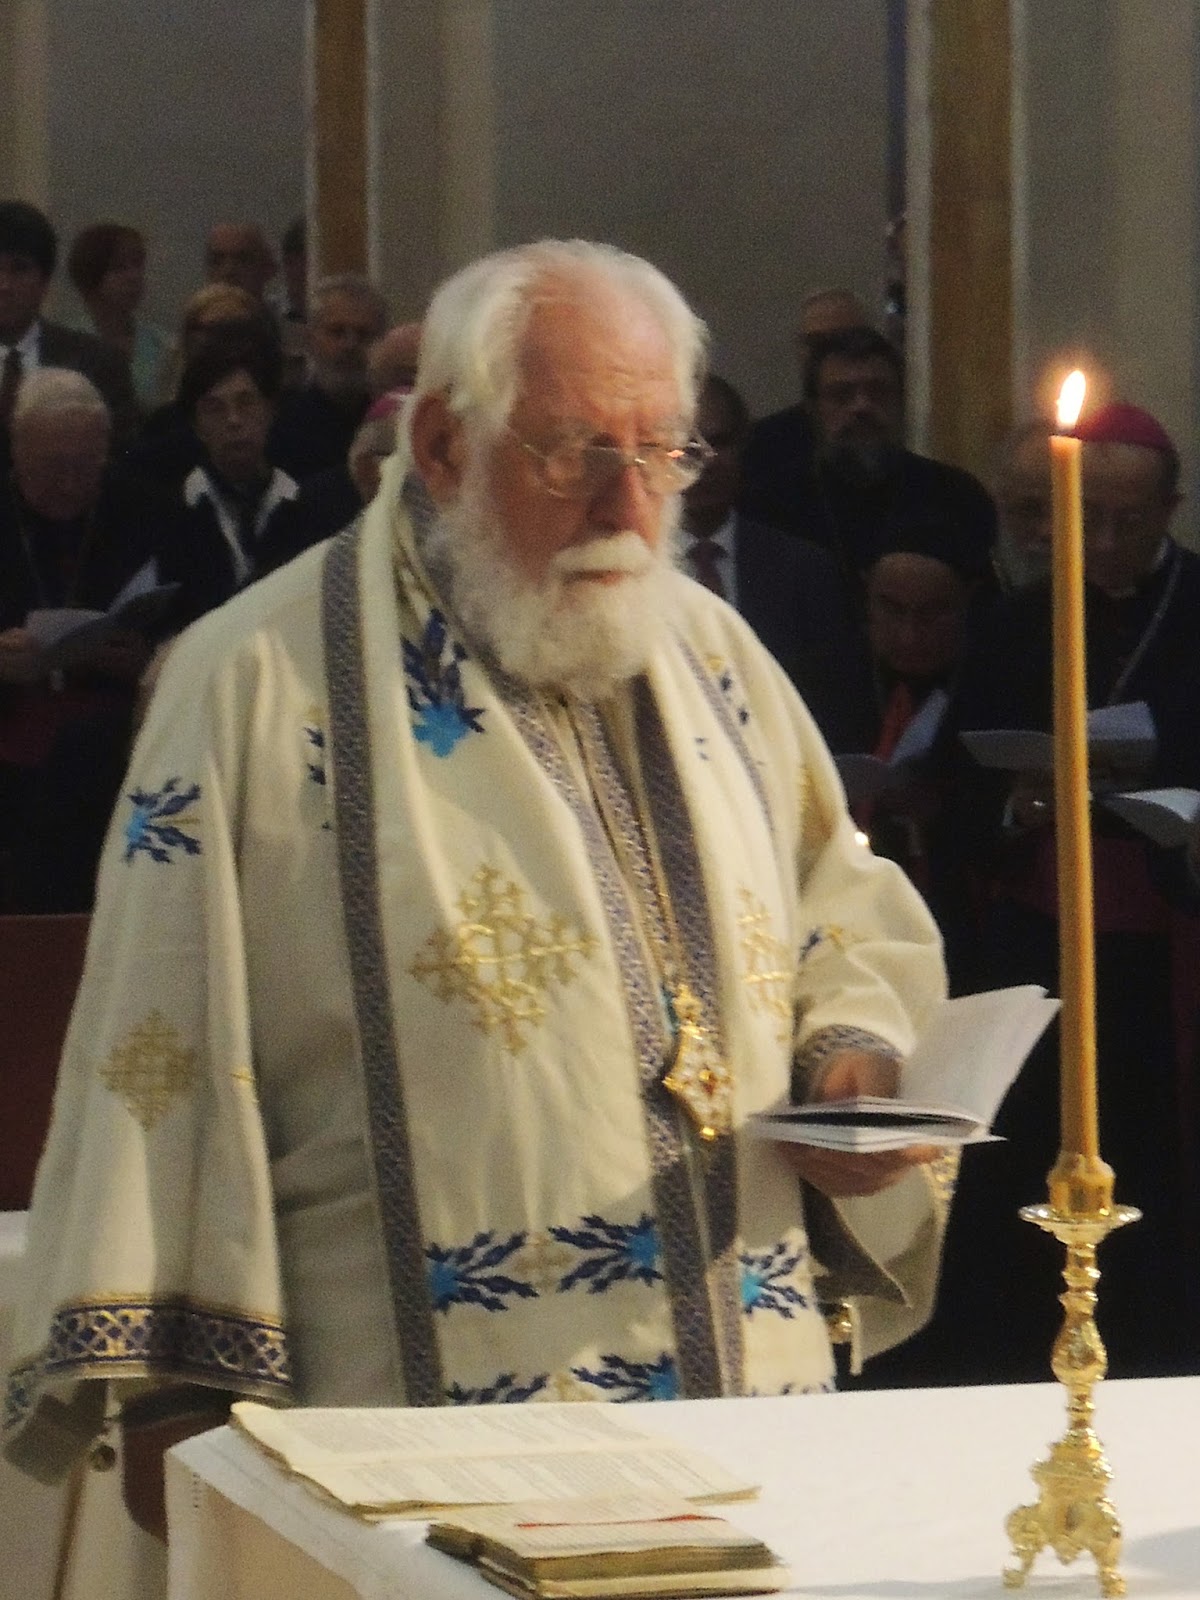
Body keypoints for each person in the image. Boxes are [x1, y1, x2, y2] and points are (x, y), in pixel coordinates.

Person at [5, 241, 949, 1542]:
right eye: (576, 454)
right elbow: (155, 1054)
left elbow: (839, 895)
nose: (631, 507)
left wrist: (853, 1062)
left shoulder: (717, 655)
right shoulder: (255, 687)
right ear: (443, 443)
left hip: (758, 1427)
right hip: (419, 1463)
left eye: (663, 453)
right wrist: (182, 1409)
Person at [925, 400, 1200, 1384]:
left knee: (1159, 1172)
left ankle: (1163, 1356)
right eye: (1095, 519)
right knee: (1033, 1159)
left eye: (1134, 519)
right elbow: (955, 785)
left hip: (1170, 946)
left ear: (1172, 505)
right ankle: (1016, 1356)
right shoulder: (1017, 622)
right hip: (1042, 941)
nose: (1111, 540)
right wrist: (1017, 803)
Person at [0, 370, 174, 911]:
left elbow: (197, 618)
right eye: (56, 466)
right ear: (16, 448)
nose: (74, 483)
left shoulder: (146, 509)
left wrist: (149, 661)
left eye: (89, 465)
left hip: (113, 744)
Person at [681, 373, 873, 751]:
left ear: (744, 446)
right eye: (687, 446)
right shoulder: (628, 572)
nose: (707, 460)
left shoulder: (805, 570)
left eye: (720, 442)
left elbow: (834, 703)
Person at [739, 327, 996, 583]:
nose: (862, 407)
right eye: (842, 395)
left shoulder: (957, 497)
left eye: (878, 391)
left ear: (901, 402)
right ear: (813, 411)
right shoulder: (770, 507)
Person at [164, 334, 300, 624]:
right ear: (197, 426)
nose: (233, 420)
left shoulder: (304, 506)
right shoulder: (171, 514)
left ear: (270, 411)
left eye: (246, 402)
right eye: (215, 408)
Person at [0, 201, 140, 453]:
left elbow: (121, 463)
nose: (4, 286)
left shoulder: (97, 363)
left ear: (45, 281)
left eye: (19, 269)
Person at [270, 273, 389, 480]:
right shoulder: (281, 427)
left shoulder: (392, 425)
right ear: (310, 338)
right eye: (337, 332)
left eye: (363, 334)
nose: (350, 345)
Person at [66, 222, 171, 411]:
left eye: (138, 264)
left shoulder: (164, 346)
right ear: (90, 276)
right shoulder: (66, 345)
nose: (134, 276)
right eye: (118, 267)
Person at [204, 222, 277, 302]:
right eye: (217, 261)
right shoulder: (193, 313)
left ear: (268, 269)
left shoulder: (281, 313)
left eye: (243, 260)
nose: (228, 270)